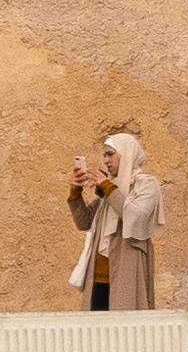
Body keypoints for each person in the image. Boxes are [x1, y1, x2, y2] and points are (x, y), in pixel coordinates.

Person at [67, 128, 164, 311]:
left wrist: (108, 187)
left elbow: (136, 217)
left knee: (126, 332)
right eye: (104, 155)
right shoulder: (110, 189)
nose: (105, 161)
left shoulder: (145, 185)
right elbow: (84, 222)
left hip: (127, 274)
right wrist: (76, 192)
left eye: (110, 154)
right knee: (96, 336)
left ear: (126, 154)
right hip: (97, 280)